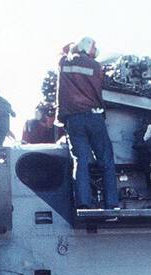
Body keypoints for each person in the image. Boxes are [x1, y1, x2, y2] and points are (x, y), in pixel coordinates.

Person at [56, 37, 119, 210]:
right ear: (90, 49)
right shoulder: (96, 66)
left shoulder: (63, 62)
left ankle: (84, 202)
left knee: (80, 160)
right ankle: (112, 203)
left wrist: (71, 47)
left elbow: (62, 50)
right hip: (94, 117)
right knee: (106, 160)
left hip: (73, 119)